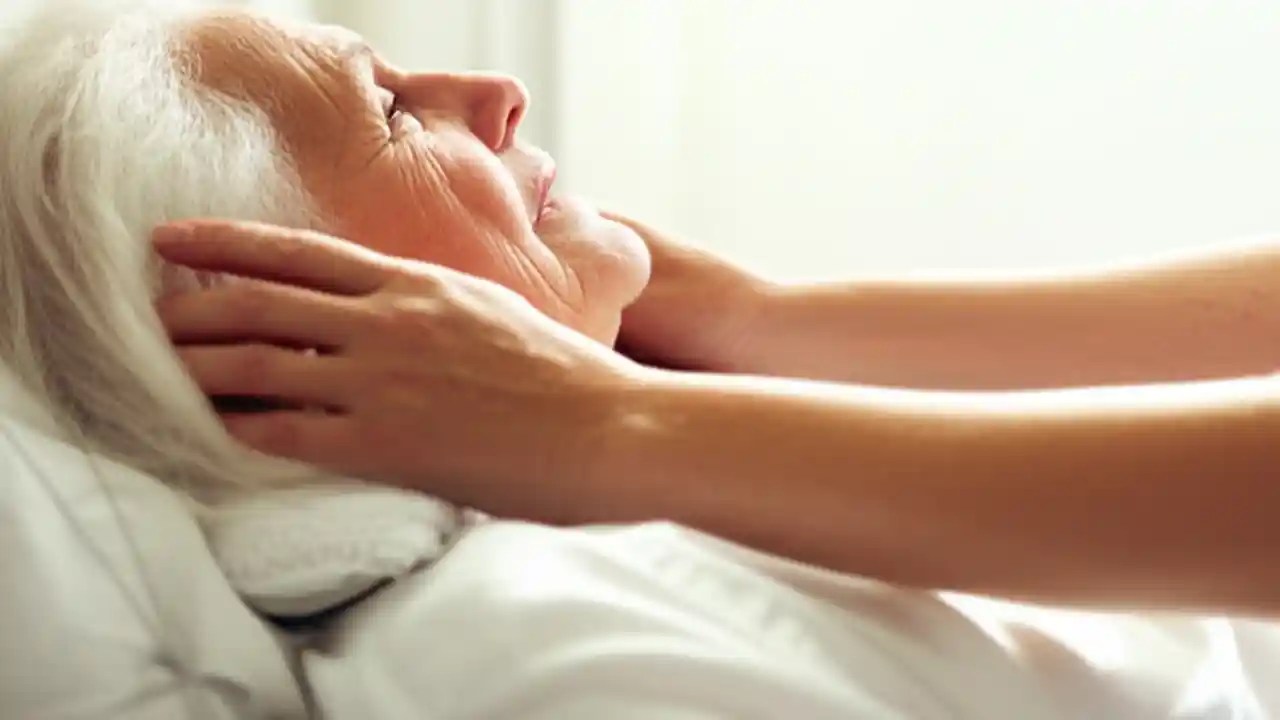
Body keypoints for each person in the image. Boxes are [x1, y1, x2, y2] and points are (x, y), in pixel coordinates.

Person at [150, 19, 1280, 617]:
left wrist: (605, 426)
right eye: (392, 109)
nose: (499, 94)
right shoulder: (538, 640)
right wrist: (753, 323)